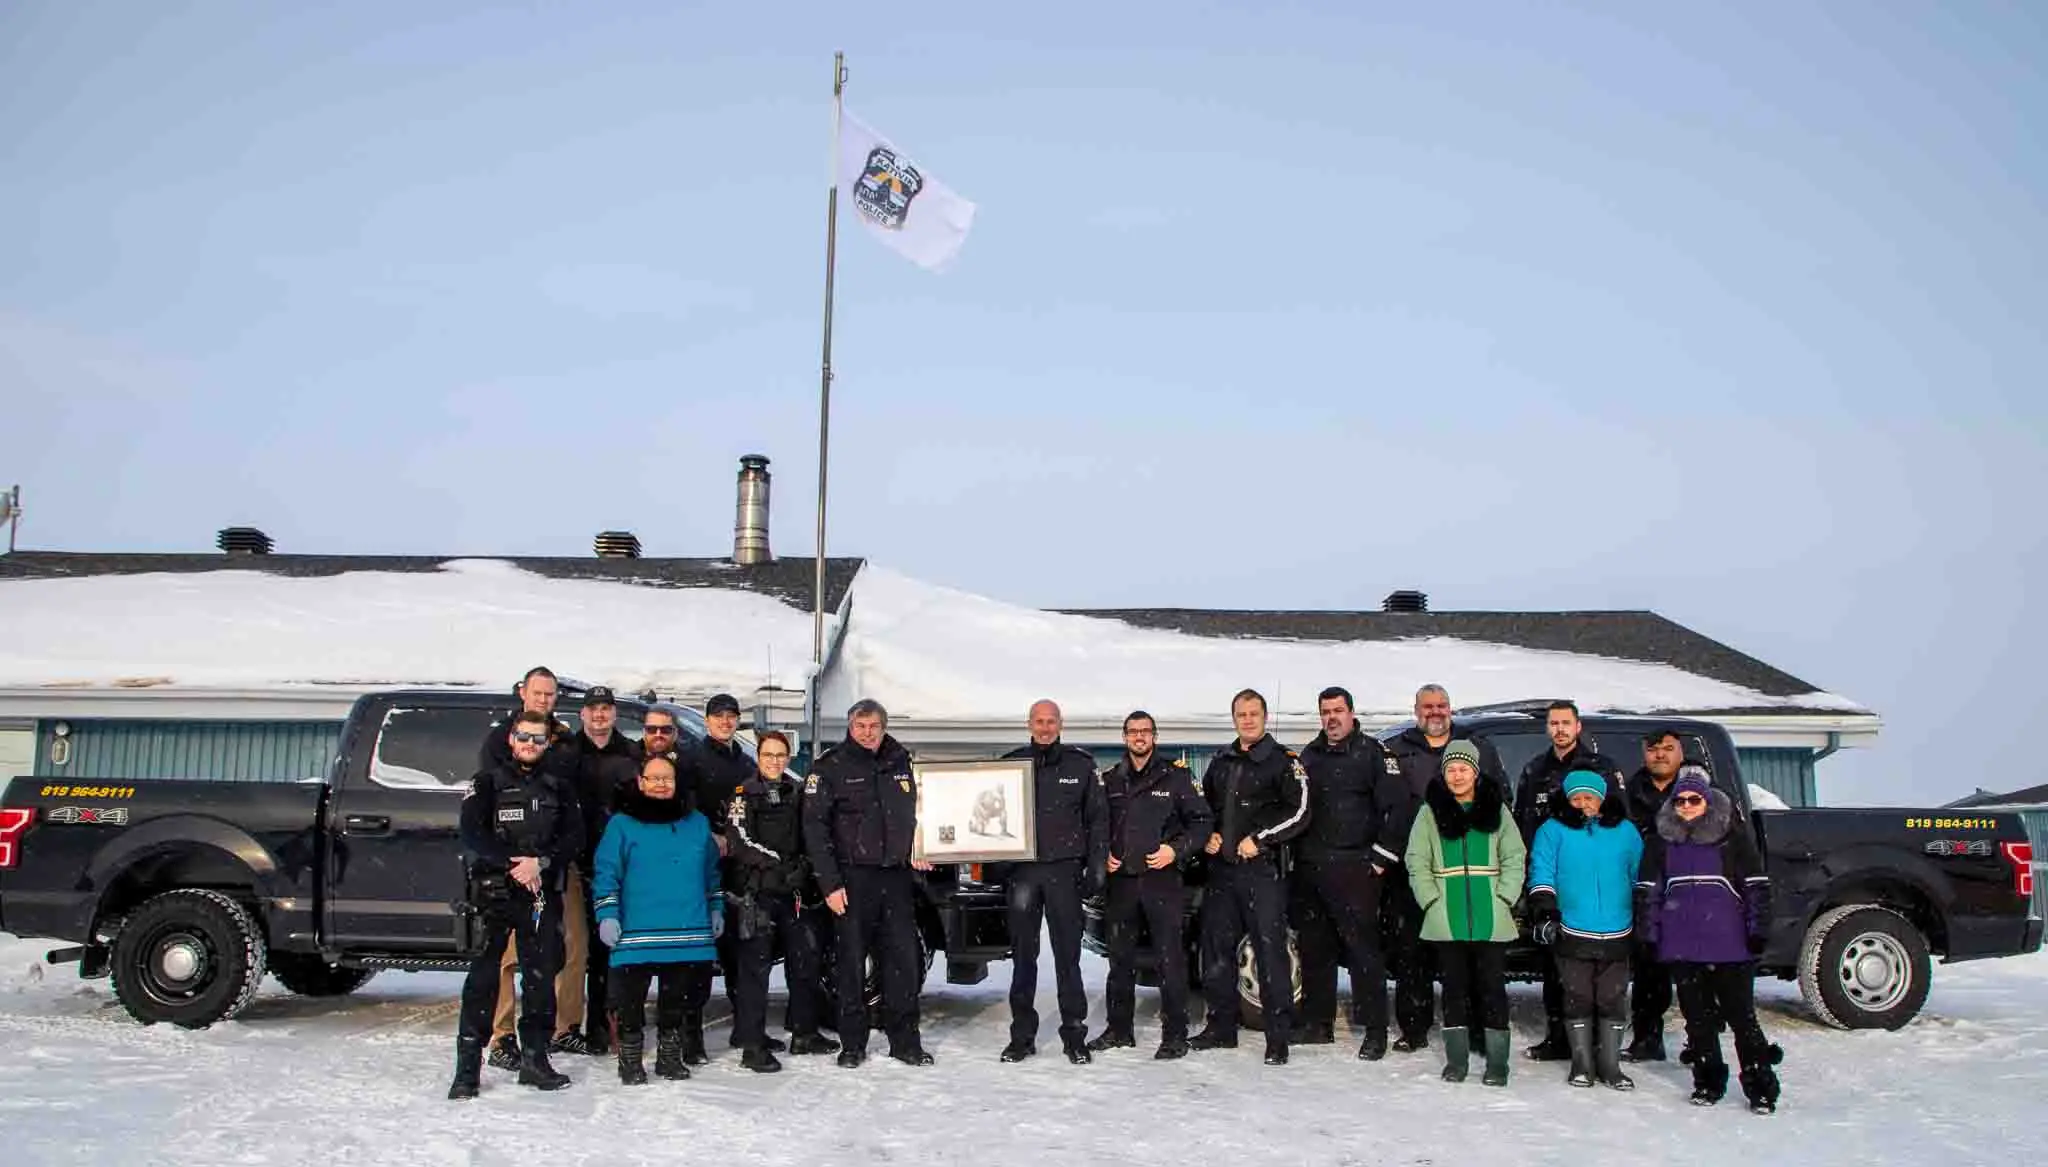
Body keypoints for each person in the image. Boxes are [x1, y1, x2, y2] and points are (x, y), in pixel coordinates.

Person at [447, 710, 584, 1099]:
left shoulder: (559, 787)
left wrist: (541, 862)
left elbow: (575, 836)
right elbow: (473, 834)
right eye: (524, 737)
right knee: (483, 981)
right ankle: (467, 1070)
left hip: (539, 894)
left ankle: (535, 1061)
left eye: (538, 739)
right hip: (495, 895)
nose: (530, 744)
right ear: (511, 738)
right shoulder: (486, 783)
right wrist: (512, 864)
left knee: (541, 977)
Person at [1637, 765, 1782, 1113]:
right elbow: (1647, 892)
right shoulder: (1661, 843)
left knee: (1742, 1018)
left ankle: (1760, 1085)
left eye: (1694, 799)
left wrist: (1758, 930)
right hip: (1683, 948)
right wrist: (1649, 934)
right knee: (1697, 1020)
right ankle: (1708, 1080)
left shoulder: (1732, 840)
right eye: (1680, 800)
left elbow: (1756, 889)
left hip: (1730, 948)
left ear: (1707, 801)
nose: (1686, 805)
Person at [803, 698, 936, 1068]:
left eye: (873, 726)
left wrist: (921, 846)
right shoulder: (830, 767)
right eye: (859, 726)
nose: (866, 732)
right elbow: (815, 829)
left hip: (896, 878)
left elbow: (925, 814)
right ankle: (853, 1044)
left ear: (884, 726)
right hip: (851, 879)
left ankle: (905, 1041)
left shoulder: (904, 764)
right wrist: (829, 884)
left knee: (903, 964)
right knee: (850, 965)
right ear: (849, 727)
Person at [1381, 684, 1507, 1052]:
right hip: (1412, 868)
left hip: (1467, 868)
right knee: (1411, 954)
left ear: (1451, 709)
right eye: (1427, 706)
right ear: (1416, 710)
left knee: (1467, 958)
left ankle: (1475, 1031)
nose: (1435, 712)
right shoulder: (1398, 750)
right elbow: (1383, 802)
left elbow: (1500, 799)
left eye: (1441, 706)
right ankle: (1415, 1029)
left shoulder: (1478, 746)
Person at [1191, 689, 1311, 1065]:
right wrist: (1207, 834)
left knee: (1269, 953)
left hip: (1262, 872)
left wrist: (1261, 840)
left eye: (1253, 714)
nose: (1247, 720)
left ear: (1264, 716)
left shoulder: (1282, 761)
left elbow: (1302, 811)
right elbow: (1203, 807)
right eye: (1241, 714)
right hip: (1222, 873)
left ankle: (1278, 1037)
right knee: (1216, 952)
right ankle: (1221, 1028)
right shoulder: (1222, 761)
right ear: (1234, 719)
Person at [1290, 686, 1410, 1060]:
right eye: (1325, 711)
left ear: (1352, 712)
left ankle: (1374, 1030)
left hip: (1357, 869)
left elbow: (1400, 809)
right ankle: (1317, 1023)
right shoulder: (1309, 755)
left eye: (1338, 710)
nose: (1331, 718)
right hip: (1313, 870)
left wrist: (1379, 858)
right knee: (1316, 950)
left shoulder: (1374, 754)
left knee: (1363, 954)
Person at [592, 754, 722, 1085]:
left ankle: (669, 1057)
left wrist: (716, 907)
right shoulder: (622, 824)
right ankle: (631, 1060)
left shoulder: (696, 823)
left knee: (676, 1001)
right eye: (654, 778)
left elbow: (711, 872)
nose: (662, 785)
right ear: (641, 782)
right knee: (630, 1001)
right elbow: (606, 873)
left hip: (686, 929)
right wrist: (607, 914)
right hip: (635, 931)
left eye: (668, 778)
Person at [1089, 710, 1211, 1060]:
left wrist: (1175, 850)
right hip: (1122, 883)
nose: (1139, 737)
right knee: (1120, 960)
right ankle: (1119, 1029)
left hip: (1162, 881)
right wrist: (1103, 855)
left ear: (1154, 736)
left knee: (1170, 960)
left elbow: (1201, 823)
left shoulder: (1176, 778)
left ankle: (1175, 1034)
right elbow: (1096, 826)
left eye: (1145, 731)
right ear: (1125, 737)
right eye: (1132, 732)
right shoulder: (1110, 780)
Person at [477, 667, 580, 1070]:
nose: (543, 699)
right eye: (537, 693)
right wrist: (512, 861)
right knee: (507, 955)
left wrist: (549, 856)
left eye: (550, 694)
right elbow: (486, 806)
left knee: (560, 947)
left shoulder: (565, 740)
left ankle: (554, 1029)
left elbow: (571, 806)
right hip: (509, 863)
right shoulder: (500, 738)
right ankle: (502, 1036)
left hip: (553, 860)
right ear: (523, 692)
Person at [1404, 740, 1523, 1087]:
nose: (1457, 776)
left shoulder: (1496, 810)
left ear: (1475, 772)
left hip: (1492, 913)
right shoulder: (1430, 813)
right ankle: (1457, 1062)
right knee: (1454, 989)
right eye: (1451, 770)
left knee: (1492, 989)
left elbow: (1514, 856)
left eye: (1463, 769)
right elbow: (1417, 860)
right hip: (1446, 915)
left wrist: (1505, 896)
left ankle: (1497, 1063)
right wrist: (1430, 900)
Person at [1512, 700, 1625, 1061]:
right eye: (1553, 723)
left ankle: (1595, 1044)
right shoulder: (1535, 770)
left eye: (1565, 723)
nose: (1559, 729)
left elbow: (1619, 823)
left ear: (1578, 727)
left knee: (1597, 969)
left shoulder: (1601, 768)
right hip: (1550, 882)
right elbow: (1522, 823)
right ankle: (1559, 1037)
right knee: (1553, 964)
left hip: (1594, 884)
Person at [998, 699, 1109, 1064]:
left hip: (1064, 873)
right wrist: (996, 866)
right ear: (1028, 724)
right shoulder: (1010, 764)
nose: (1045, 727)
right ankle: (1021, 1036)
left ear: (1061, 724)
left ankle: (1074, 1034)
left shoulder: (1080, 765)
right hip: (1024, 874)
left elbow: (1097, 821)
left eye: (1051, 721)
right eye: (1038, 721)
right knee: (1024, 959)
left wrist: (1095, 868)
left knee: (1068, 958)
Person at [726, 730, 839, 1072]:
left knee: (804, 964)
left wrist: (803, 868)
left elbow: (813, 834)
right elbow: (739, 840)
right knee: (754, 972)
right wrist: (776, 865)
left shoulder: (798, 792)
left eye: (780, 755)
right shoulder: (743, 793)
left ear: (788, 758)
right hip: (758, 894)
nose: (774, 761)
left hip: (795, 893)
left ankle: (804, 1032)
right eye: (768, 755)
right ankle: (752, 1044)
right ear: (758, 758)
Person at [1527, 769, 1644, 1091]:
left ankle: (1610, 1066)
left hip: (1618, 929)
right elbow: (1542, 870)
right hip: (1573, 928)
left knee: (1612, 998)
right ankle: (1581, 1063)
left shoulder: (1625, 832)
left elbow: (1640, 876)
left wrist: (1645, 913)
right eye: (1576, 798)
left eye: (1588, 797)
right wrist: (1545, 909)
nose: (1582, 804)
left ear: (1602, 798)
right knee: (1577, 995)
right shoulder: (1552, 830)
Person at [675, 694, 746, 1061]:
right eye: (718, 716)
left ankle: (745, 1028)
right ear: (706, 721)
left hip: (737, 868)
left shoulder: (746, 762)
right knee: (699, 953)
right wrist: (710, 835)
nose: (725, 722)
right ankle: (691, 1038)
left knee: (739, 951)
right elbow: (683, 808)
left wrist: (737, 840)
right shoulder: (691, 760)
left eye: (731, 716)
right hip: (699, 867)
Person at [1619, 728, 1686, 1062]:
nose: (1660, 755)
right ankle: (1647, 1038)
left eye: (1668, 748)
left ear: (1681, 752)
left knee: (1695, 971)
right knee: (1649, 970)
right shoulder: (1630, 792)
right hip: (1645, 890)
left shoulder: (1697, 792)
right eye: (1654, 749)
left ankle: (1700, 1042)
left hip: (1689, 891)